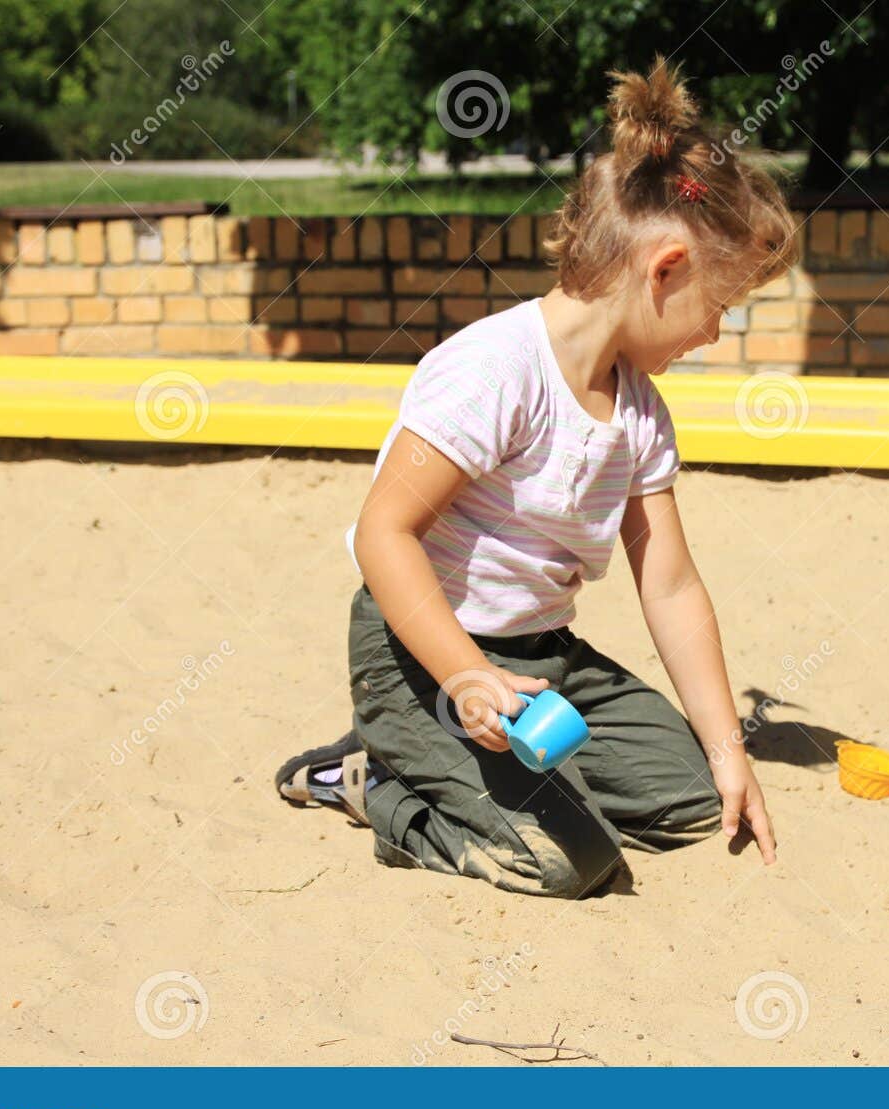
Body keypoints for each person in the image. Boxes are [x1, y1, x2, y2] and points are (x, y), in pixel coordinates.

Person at [277, 55, 798, 899]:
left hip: (544, 658)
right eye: (721, 304)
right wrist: (462, 675)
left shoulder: (639, 410)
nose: (714, 333)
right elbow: (384, 532)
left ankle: (486, 776)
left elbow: (668, 584)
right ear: (664, 269)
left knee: (697, 799)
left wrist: (730, 750)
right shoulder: (494, 371)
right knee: (566, 860)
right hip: (422, 652)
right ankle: (372, 780)